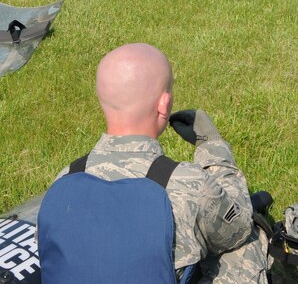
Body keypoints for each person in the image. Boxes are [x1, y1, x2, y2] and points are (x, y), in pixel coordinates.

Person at [39, 43, 269, 281]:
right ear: (164, 104)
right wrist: (210, 144)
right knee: (248, 244)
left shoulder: (66, 176)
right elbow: (238, 226)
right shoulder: (185, 183)